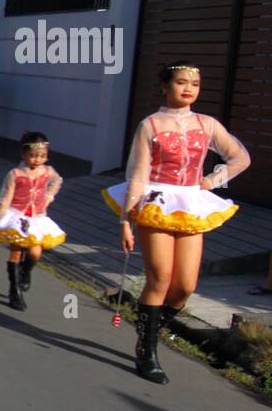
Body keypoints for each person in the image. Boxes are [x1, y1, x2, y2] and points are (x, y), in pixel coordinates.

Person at [104, 62, 251, 384]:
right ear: (164, 86)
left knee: (185, 287)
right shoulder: (150, 125)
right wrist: (125, 219)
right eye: (181, 82)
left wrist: (211, 182)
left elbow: (240, 157)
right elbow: (138, 175)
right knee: (160, 278)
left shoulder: (207, 123)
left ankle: (151, 328)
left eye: (195, 84)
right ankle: (148, 350)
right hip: (156, 202)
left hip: (190, 203)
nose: (188, 88)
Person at [0, 133, 65, 311]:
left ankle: (25, 271)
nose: (37, 160)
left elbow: (57, 181)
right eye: (33, 155)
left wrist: (49, 196)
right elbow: (6, 197)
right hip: (16, 216)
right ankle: (15, 291)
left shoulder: (47, 171)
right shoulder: (15, 174)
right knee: (15, 253)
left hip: (37, 217)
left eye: (42, 156)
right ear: (23, 154)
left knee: (35, 253)